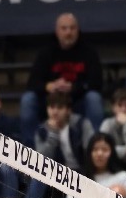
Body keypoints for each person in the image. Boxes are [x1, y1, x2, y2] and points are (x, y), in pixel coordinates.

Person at [20, 13, 104, 144]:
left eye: (72, 28)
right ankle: (29, 150)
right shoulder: (46, 52)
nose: (68, 32)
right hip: (50, 104)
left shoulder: (89, 52)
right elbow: (33, 83)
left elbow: (96, 83)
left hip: (77, 102)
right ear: (57, 31)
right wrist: (50, 86)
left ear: (78, 30)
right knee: (28, 99)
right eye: (64, 28)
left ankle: (95, 146)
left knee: (94, 98)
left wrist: (73, 87)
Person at [29, 91, 93, 198]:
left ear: (68, 110)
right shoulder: (42, 131)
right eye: (52, 107)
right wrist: (52, 133)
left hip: (82, 171)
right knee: (38, 172)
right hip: (56, 174)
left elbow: (91, 150)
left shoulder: (81, 124)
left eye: (59, 108)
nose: (55, 112)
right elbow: (41, 159)